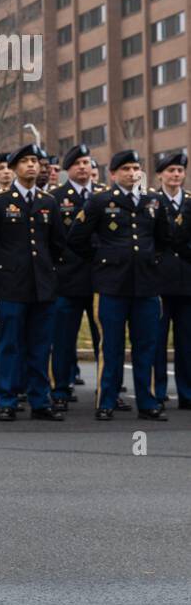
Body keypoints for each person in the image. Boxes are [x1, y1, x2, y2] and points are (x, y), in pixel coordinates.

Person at [66, 149, 172, 420]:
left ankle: (147, 403)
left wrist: (148, 259)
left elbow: (164, 238)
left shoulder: (154, 201)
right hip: (111, 284)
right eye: (125, 168)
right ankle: (106, 402)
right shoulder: (100, 201)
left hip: (146, 286)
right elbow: (76, 238)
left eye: (136, 167)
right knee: (110, 347)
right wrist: (102, 259)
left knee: (146, 346)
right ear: (112, 174)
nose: (132, 173)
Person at [0, 144, 66, 422]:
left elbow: (58, 243)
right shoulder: (1, 202)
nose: (31, 166)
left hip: (42, 285)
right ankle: (7, 400)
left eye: (35, 161)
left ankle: (39, 401)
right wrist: (3, 266)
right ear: (13, 168)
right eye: (25, 162)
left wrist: (48, 269)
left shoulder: (48, 202)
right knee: (10, 345)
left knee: (40, 346)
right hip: (11, 285)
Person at [49, 144, 102, 411]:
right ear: (68, 168)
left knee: (103, 341)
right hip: (66, 279)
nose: (84, 167)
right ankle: (60, 389)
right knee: (62, 340)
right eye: (78, 162)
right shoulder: (55, 198)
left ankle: (107, 391)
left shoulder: (105, 196)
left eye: (87, 162)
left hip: (100, 279)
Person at [152, 152, 191, 410]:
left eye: (179, 170)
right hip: (159, 280)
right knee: (157, 339)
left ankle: (187, 393)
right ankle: (158, 392)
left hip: (187, 280)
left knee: (186, 342)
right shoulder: (151, 202)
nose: (176, 175)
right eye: (171, 171)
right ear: (161, 174)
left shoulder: (190, 203)